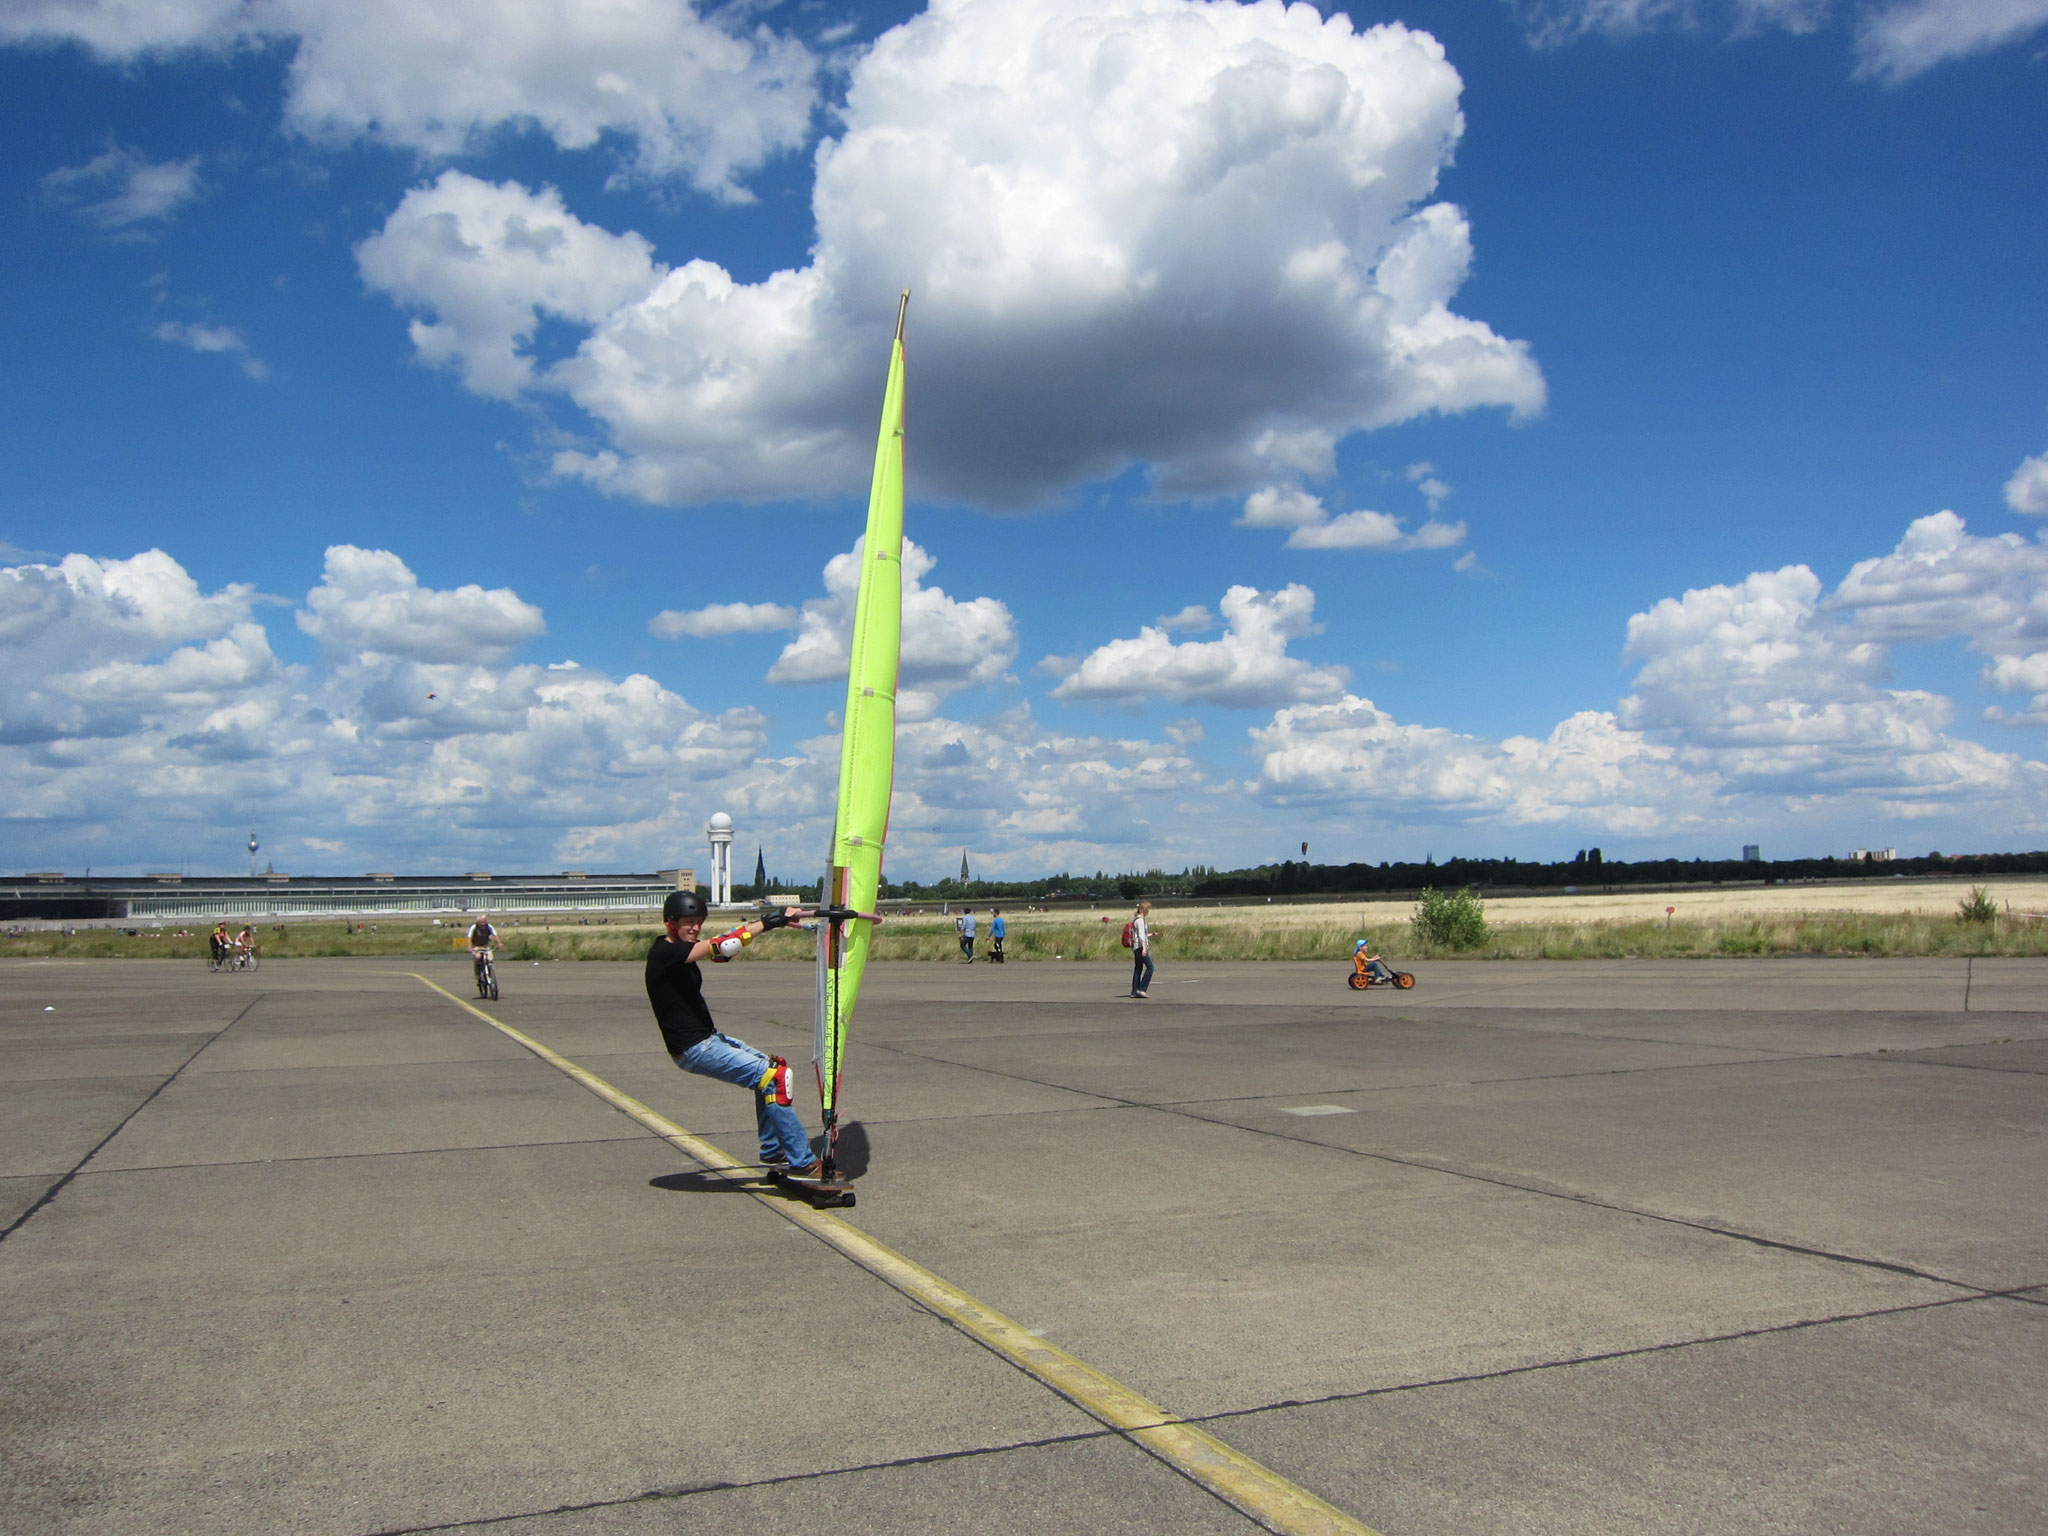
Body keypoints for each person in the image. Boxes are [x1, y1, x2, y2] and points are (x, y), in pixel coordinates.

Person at [646, 889, 823, 1175]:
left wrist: (772, 924)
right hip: (694, 1048)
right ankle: (803, 1162)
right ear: (670, 923)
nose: (695, 928)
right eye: (688, 922)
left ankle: (772, 1149)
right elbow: (722, 945)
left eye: (699, 922)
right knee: (774, 1079)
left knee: (775, 1069)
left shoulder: (681, 949)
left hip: (707, 1040)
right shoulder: (665, 952)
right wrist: (769, 921)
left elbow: (725, 948)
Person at [1128, 900, 1154, 997]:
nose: (1148, 911)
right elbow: (1140, 935)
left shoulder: (1136, 920)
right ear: (1142, 909)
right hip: (1140, 947)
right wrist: (1144, 948)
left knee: (1138, 968)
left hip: (1136, 946)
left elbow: (1140, 934)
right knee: (1150, 967)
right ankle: (1142, 989)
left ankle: (1134, 991)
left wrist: (1150, 935)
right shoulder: (1140, 920)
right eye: (1147, 909)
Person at [468, 913, 498, 987]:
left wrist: (499, 943)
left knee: (490, 959)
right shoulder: (474, 927)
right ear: (478, 922)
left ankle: (490, 972)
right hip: (477, 946)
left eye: (484, 921)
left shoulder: (489, 926)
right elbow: (469, 937)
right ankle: (477, 973)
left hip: (486, 946)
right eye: (481, 922)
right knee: (478, 957)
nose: (483, 923)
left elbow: (495, 935)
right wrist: (470, 946)